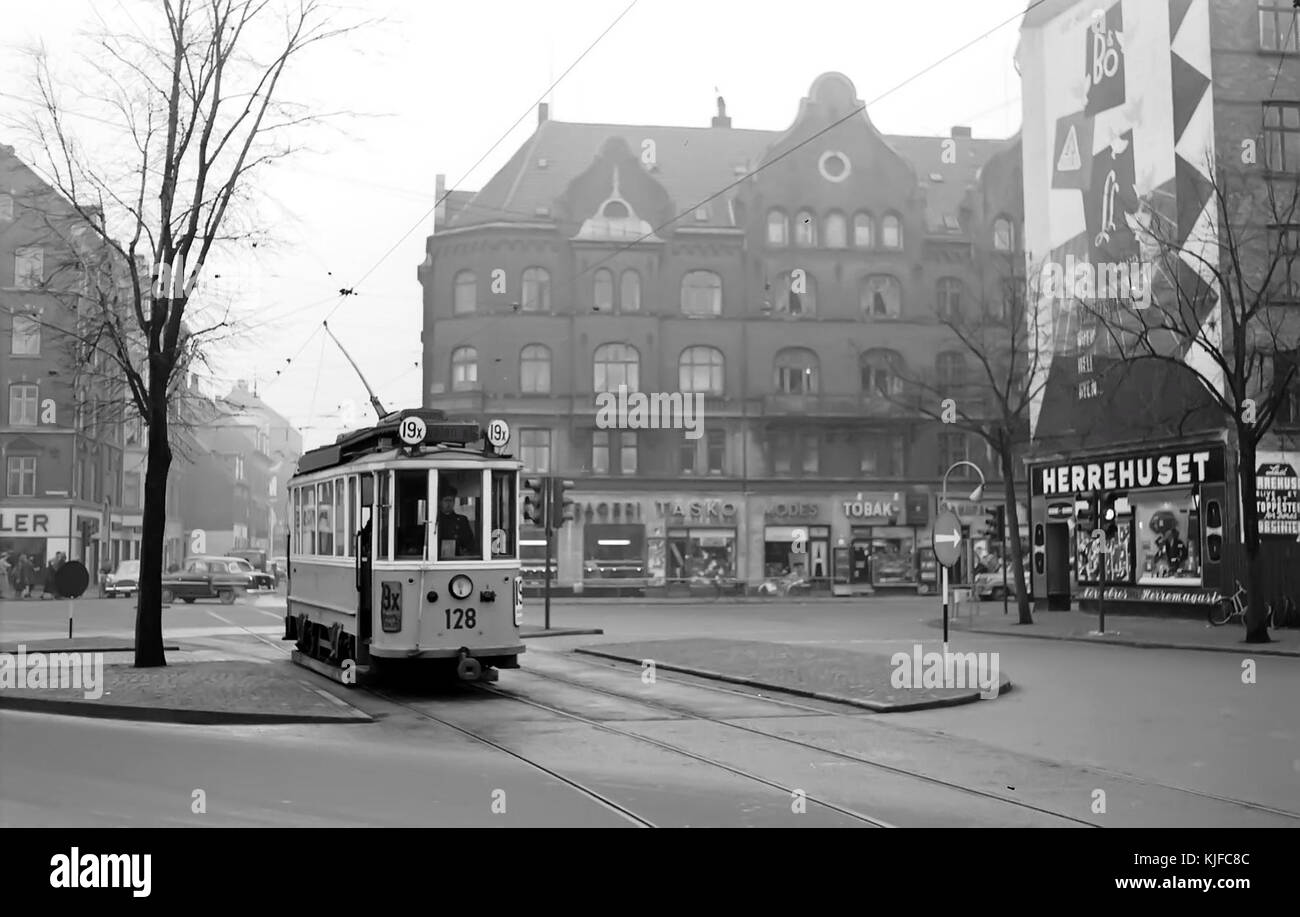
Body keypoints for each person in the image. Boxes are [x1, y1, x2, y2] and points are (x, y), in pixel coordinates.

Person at [436, 486, 477, 557]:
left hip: (457, 558)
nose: (449, 504)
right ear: (440, 502)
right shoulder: (435, 520)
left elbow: (469, 542)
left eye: (451, 500)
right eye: (446, 500)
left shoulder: (462, 520)